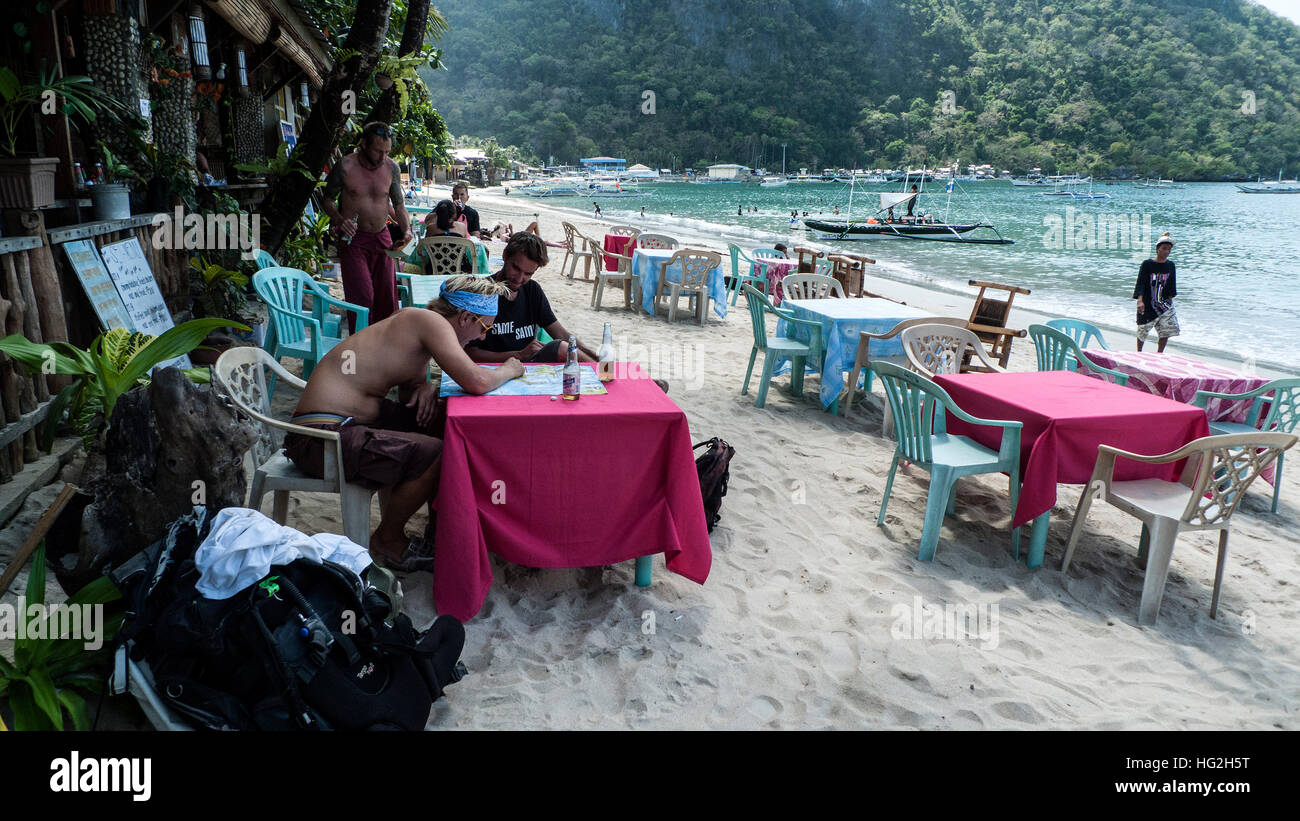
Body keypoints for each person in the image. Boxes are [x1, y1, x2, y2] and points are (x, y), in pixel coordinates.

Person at [284, 276, 524, 568]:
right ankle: (387, 539)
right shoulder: (431, 323)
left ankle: (439, 527)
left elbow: (409, 392)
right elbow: (475, 381)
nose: (484, 337)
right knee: (434, 452)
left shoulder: (417, 321)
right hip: (318, 439)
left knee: (442, 422)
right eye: (484, 326)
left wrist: (425, 387)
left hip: (342, 424)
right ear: (465, 317)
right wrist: (510, 368)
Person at [322, 121, 412, 332]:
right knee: (362, 296)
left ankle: (383, 345)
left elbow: (399, 205)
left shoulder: (391, 167)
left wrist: (406, 229)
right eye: (378, 151)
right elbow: (326, 200)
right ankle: (361, 344)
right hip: (353, 240)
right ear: (363, 144)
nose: (383, 157)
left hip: (383, 238)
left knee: (386, 297)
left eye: (387, 151)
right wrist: (339, 219)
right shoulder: (345, 166)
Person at [466, 232, 597, 364]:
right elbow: (470, 353)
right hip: (492, 368)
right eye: (516, 268)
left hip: (529, 367)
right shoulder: (482, 292)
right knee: (562, 347)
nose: (519, 279)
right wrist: (518, 355)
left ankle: (599, 368)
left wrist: (594, 356)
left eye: (528, 274)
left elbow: (560, 334)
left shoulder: (532, 290)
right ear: (505, 255)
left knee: (564, 348)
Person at [1134, 232, 1179, 353]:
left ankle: (1160, 353)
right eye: (1164, 248)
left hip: (1164, 303)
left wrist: (1170, 303)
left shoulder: (1170, 265)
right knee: (1143, 329)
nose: (1166, 252)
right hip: (1148, 303)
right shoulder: (1147, 264)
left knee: (1166, 330)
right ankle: (1139, 352)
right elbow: (1141, 282)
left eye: (1169, 249)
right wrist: (1140, 300)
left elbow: (1171, 285)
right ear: (1157, 249)